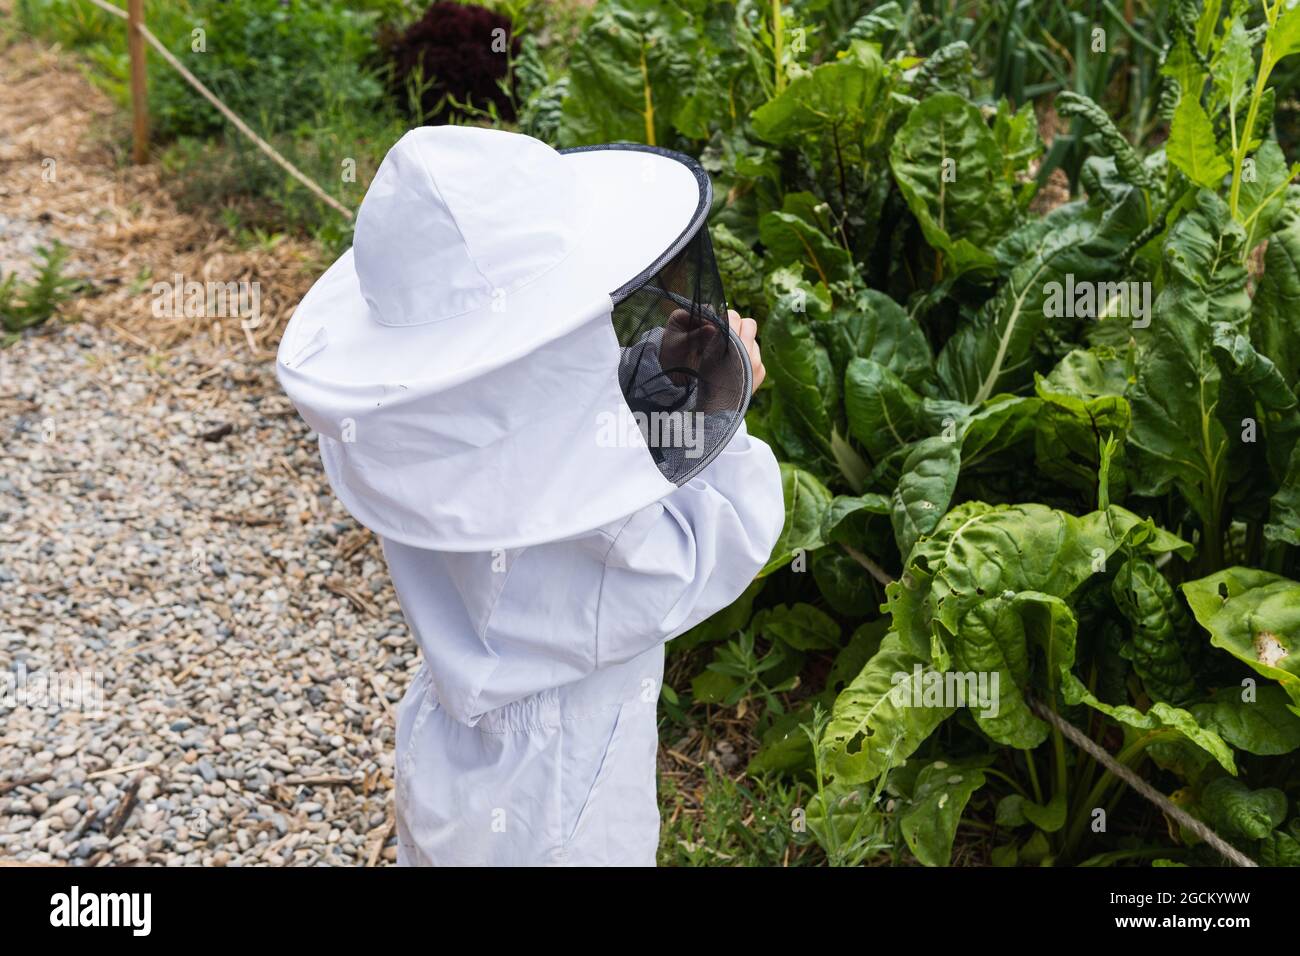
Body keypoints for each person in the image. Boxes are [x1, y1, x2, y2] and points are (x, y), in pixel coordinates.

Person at [277, 125, 785, 866]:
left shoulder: (415, 432)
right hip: (564, 787)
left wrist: (646, 374)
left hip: (446, 746)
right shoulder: (597, 518)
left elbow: (523, 410)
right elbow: (711, 549)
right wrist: (722, 408)